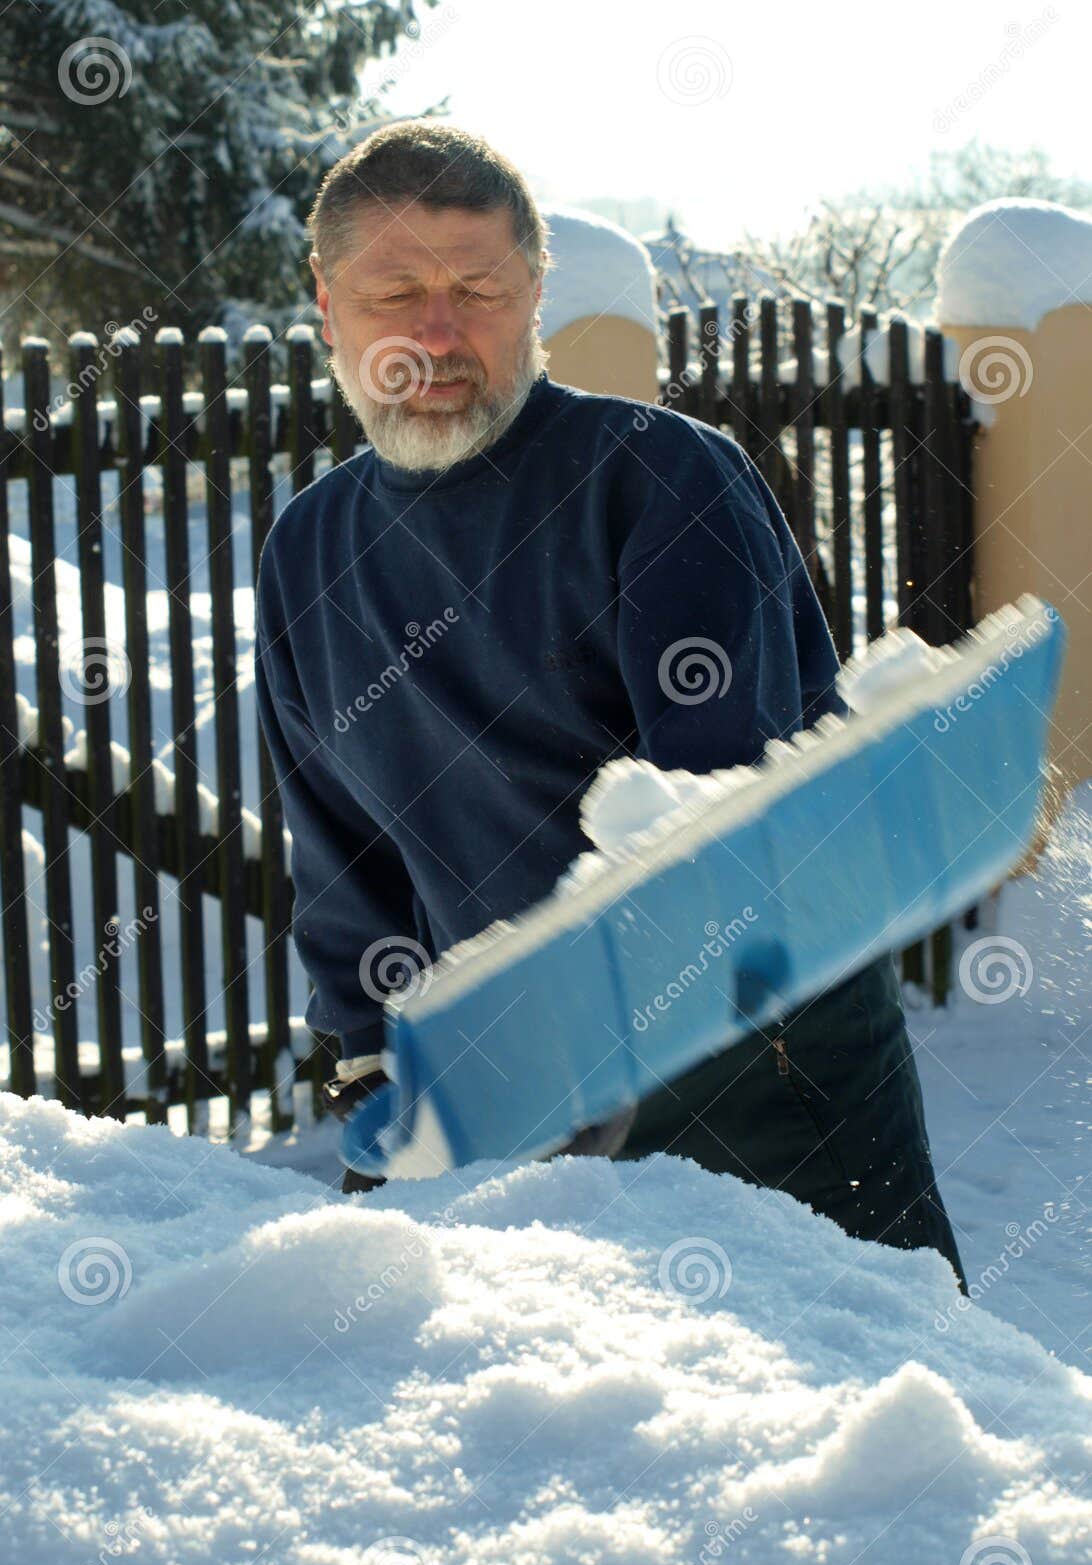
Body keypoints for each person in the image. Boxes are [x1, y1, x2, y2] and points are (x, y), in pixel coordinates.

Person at [254, 120, 967, 1293]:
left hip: (757, 1062)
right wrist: (379, 1066)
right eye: (396, 290)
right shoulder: (311, 548)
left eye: (477, 287)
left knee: (858, 1429)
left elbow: (714, 819)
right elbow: (343, 850)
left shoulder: (657, 480)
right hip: (508, 1078)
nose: (437, 332)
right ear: (329, 304)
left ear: (535, 293)